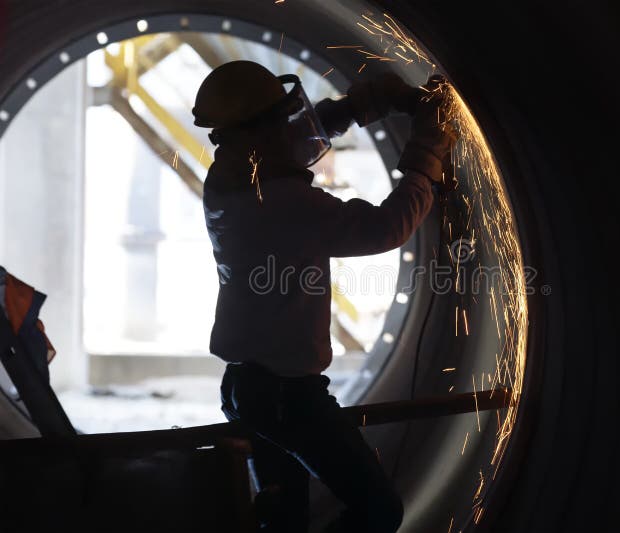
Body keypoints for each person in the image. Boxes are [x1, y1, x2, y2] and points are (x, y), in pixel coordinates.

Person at [192, 60, 456, 532]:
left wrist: (364, 106)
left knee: (285, 521)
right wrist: (428, 151)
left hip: (246, 390)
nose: (292, 124)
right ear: (259, 130)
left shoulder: (228, 178)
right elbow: (385, 227)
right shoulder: (282, 203)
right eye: (281, 117)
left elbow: (291, 143)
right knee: (379, 509)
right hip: (286, 396)